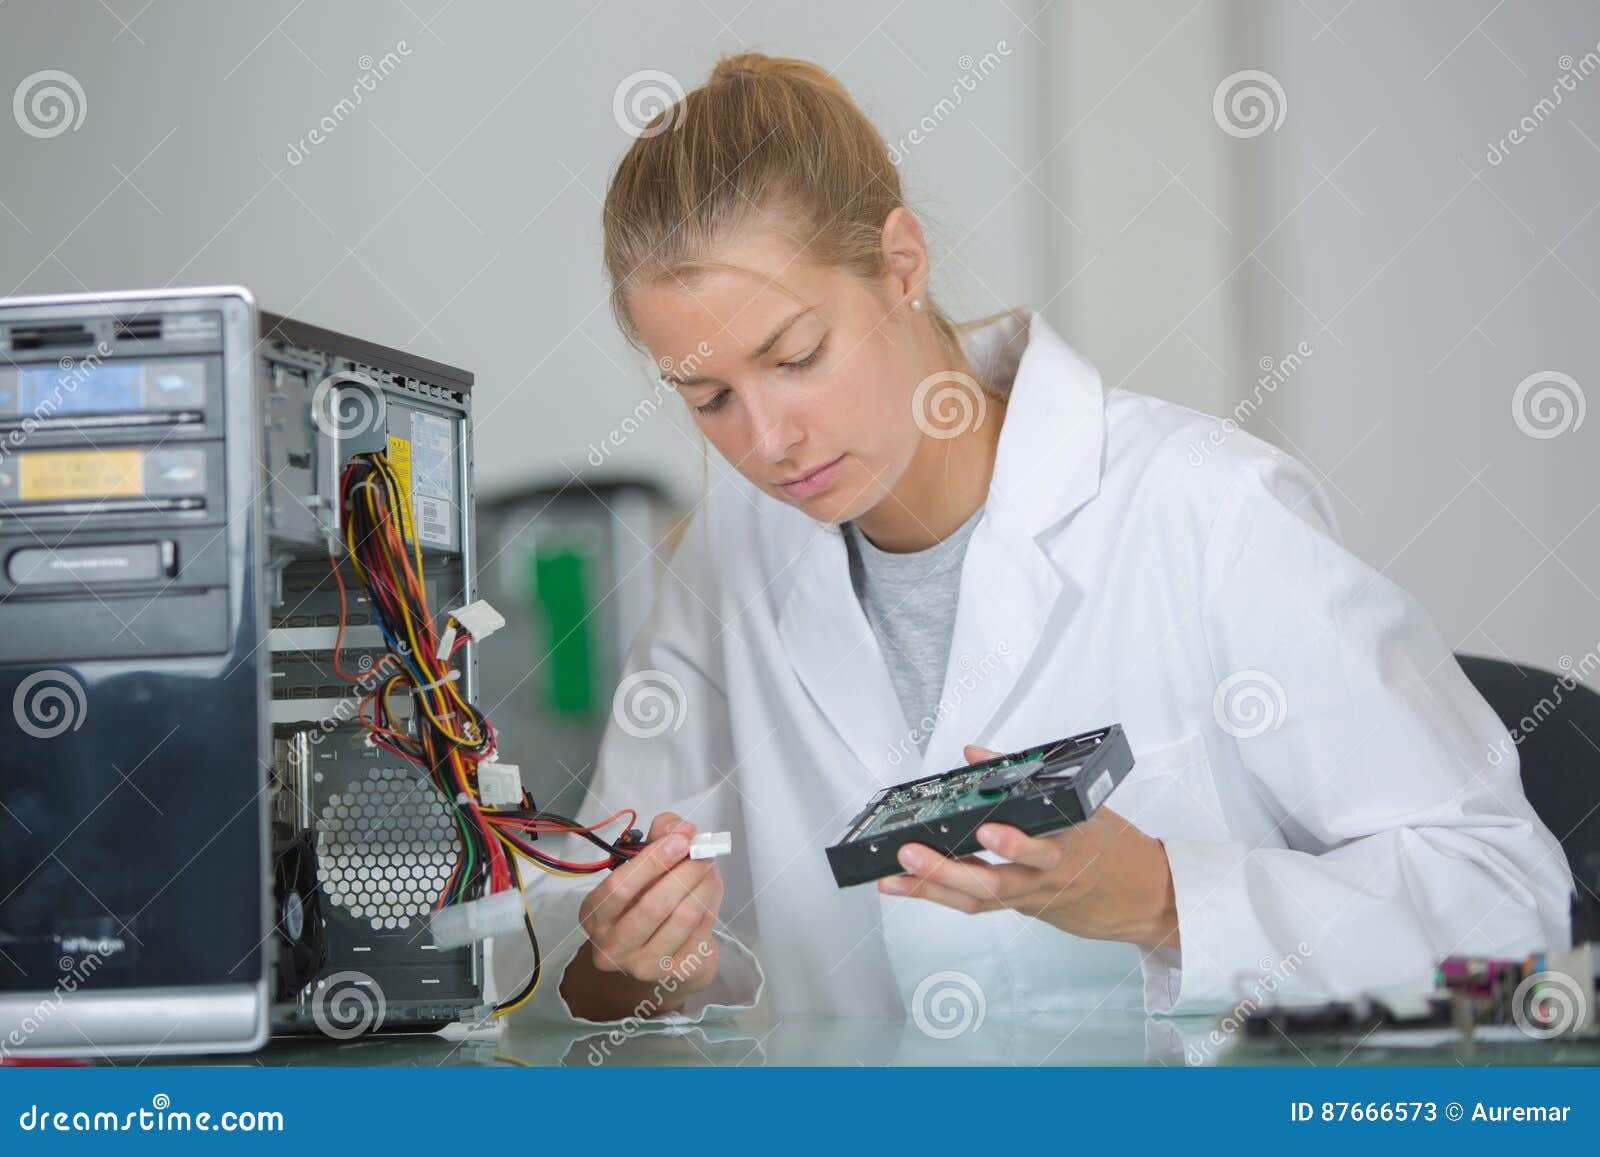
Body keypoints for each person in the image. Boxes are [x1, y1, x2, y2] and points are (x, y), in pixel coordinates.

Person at [494, 52, 1572, 1025]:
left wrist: (1153, 892)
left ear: (900, 263)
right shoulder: (731, 546)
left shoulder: (1206, 507)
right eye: (706, 396)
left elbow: (1502, 899)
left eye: (797, 354)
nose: (767, 439)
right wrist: (635, 961)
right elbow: (581, 950)